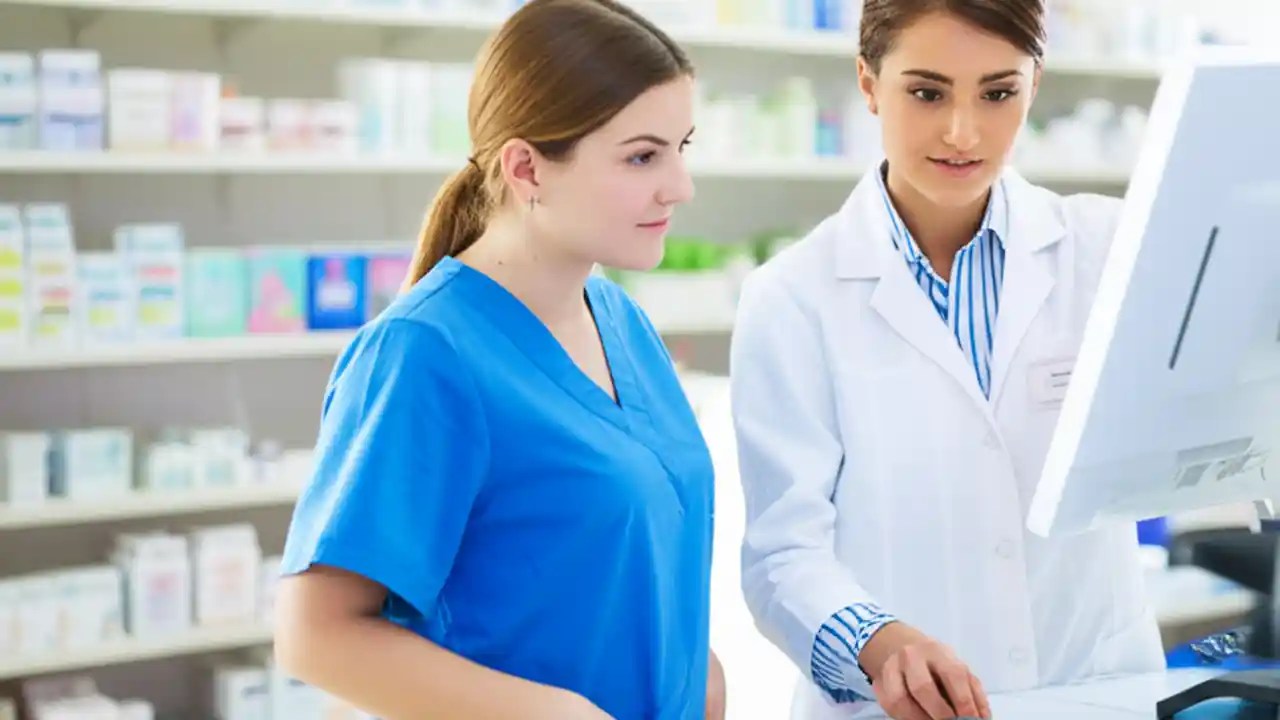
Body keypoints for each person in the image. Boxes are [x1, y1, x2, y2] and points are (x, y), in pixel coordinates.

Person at [271, 1, 726, 718]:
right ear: (526, 168)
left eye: (681, 147)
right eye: (643, 156)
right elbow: (315, 636)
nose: (680, 186)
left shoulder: (622, 321)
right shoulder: (424, 354)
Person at [729, 1, 1166, 719]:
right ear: (868, 84)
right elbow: (782, 557)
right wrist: (877, 643)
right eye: (927, 92)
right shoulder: (792, 297)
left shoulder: (1109, 250)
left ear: (1035, 82)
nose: (963, 132)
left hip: (1096, 688)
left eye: (999, 93)